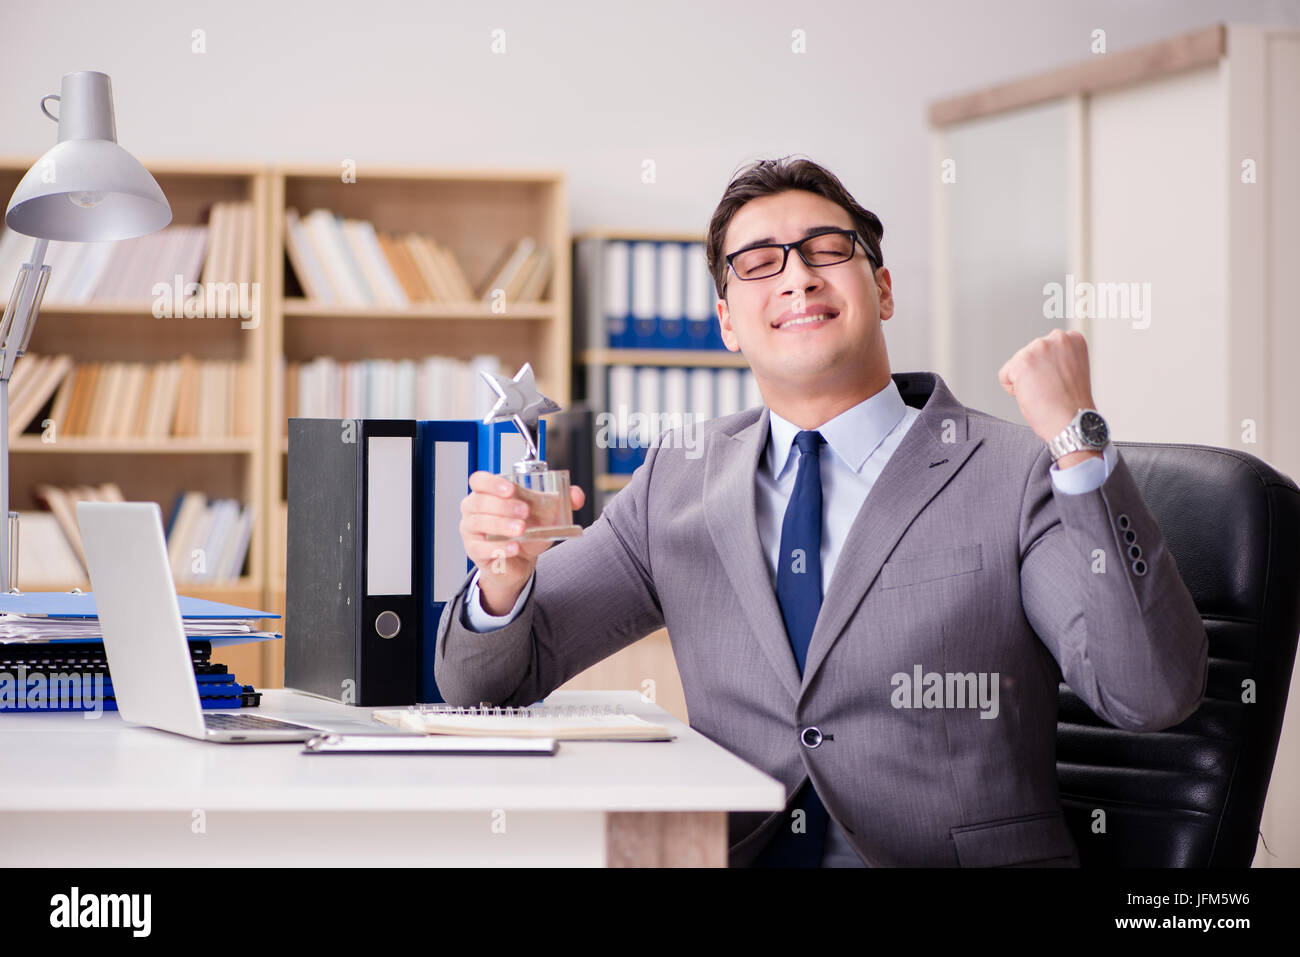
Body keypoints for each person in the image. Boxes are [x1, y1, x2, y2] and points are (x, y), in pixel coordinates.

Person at [435, 156, 1208, 867]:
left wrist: (1079, 441)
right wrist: (502, 580)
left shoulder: (1014, 469)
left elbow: (1148, 690)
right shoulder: (678, 477)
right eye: (759, 262)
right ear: (728, 321)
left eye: (827, 249)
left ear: (884, 289)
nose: (798, 277)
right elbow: (484, 685)